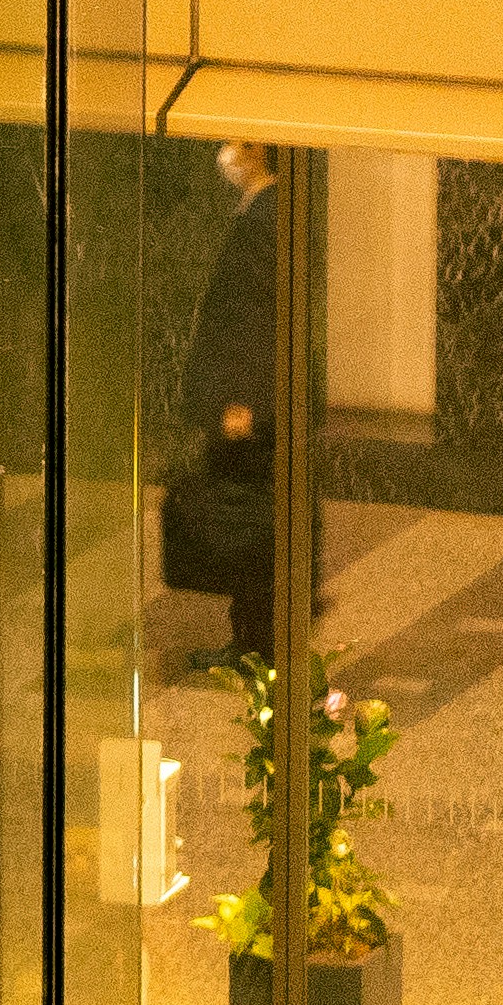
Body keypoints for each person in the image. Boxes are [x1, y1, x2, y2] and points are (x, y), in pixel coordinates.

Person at [160, 139, 286, 662]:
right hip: (244, 395)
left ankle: (258, 643)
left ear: (257, 150)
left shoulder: (265, 218)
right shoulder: (259, 212)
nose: (225, 151)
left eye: (235, 142)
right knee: (248, 515)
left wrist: (244, 401)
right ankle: (252, 638)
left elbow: (257, 319)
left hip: (246, 401)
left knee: (248, 517)